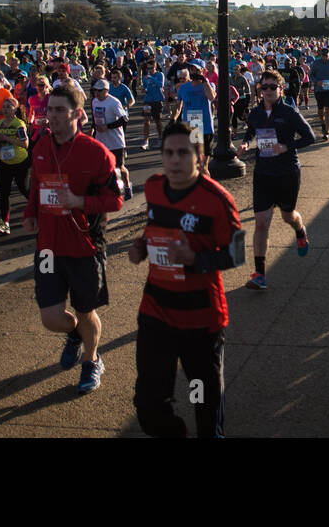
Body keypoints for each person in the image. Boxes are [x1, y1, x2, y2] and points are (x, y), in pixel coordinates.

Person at [127, 121, 242, 437]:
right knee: (149, 406)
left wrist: (197, 259)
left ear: (199, 157)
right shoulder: (153, 186)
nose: (175, 160)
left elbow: (238, 254)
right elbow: (156, 230)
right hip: (156, 309)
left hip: (201, 318)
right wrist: (142, 246)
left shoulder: (217, 200)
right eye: (168, 153)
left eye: (183, 153)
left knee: (204, 403)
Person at [23, 82, 122, 394]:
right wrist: (30, 213)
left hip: (84, 246)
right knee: (51, 317)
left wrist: (80, 202)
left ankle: (91, 360)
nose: (51, 116)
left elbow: (115, 201)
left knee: (85, 310)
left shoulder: (97, 154)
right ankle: (75, 335)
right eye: (49, 109)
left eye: (59, 110)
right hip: (49, 248)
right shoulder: (40, 146)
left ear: (78, 114)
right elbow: (37, 186)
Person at [238, 70, 315, 290]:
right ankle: (259, 275)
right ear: (259, 90)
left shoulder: (289, 112)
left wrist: (285, 147)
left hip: (287, 172)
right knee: (262, 222)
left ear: (281, 89)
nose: (268, 91)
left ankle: (300, 231)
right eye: (265, 87)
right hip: (263, 172)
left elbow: (310, 137)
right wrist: (245, 143)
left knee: (288, 215)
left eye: (273, 87)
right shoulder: (255, 113)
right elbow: (251, 130)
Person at [0, 97, 31, 235]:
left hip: (20, 162)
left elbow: (25, 145)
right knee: (4, 193)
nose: (6, 109)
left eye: (9, 107)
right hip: (5, 162)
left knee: (24, 188)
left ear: (15, 109)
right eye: (5, 107)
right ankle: (5, 222)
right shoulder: (0, 123)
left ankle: (40, 209)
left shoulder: (19, 124)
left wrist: (6, 139)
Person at [89, 80, 131, 198]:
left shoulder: (113, 102)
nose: (97, 93)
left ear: (106, 91)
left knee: (119, 167)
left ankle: (127, 186)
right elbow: (95, 118)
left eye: (99, 91)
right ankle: (112, 190)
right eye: (95, 90)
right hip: (101, 140)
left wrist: (107, 127)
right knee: (104, 167)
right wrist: (93, 129)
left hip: (115, 141)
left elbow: (124, 119)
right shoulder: (94, 101)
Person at [175, 64, 216, 159]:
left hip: (205, 126)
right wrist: (174, 118)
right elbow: (178, 106)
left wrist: (204, 80)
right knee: (195, 160)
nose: (194, 73)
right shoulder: (183, 87)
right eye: (192, 70)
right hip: (191, 125)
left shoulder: (209, 85)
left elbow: (211, 97)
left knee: (204, 163)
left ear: (203, 70)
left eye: (197, 70)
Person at [308, 46, 329, 141]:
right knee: (320, 111)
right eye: (323, 56)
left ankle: (327, 132)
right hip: (319, 90)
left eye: (326, 56)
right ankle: (322, 122)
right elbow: (310, 75)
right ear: (320, 55)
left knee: (328, 109)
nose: (325, 57)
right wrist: (316, 82)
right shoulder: (315, 63)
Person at [139, 60, 166, 151]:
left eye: (151, 68)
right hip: (148, 100)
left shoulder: (159, 75)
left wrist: (152, 78)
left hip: (157, 100)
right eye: (148, 68)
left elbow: (160, 85)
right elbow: (145, 87)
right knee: (146, 121)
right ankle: (145, 142)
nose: (150, 70)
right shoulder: (145, 77)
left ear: (155, 67)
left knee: (157, 121)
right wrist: (144, 89)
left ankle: (160, 138)